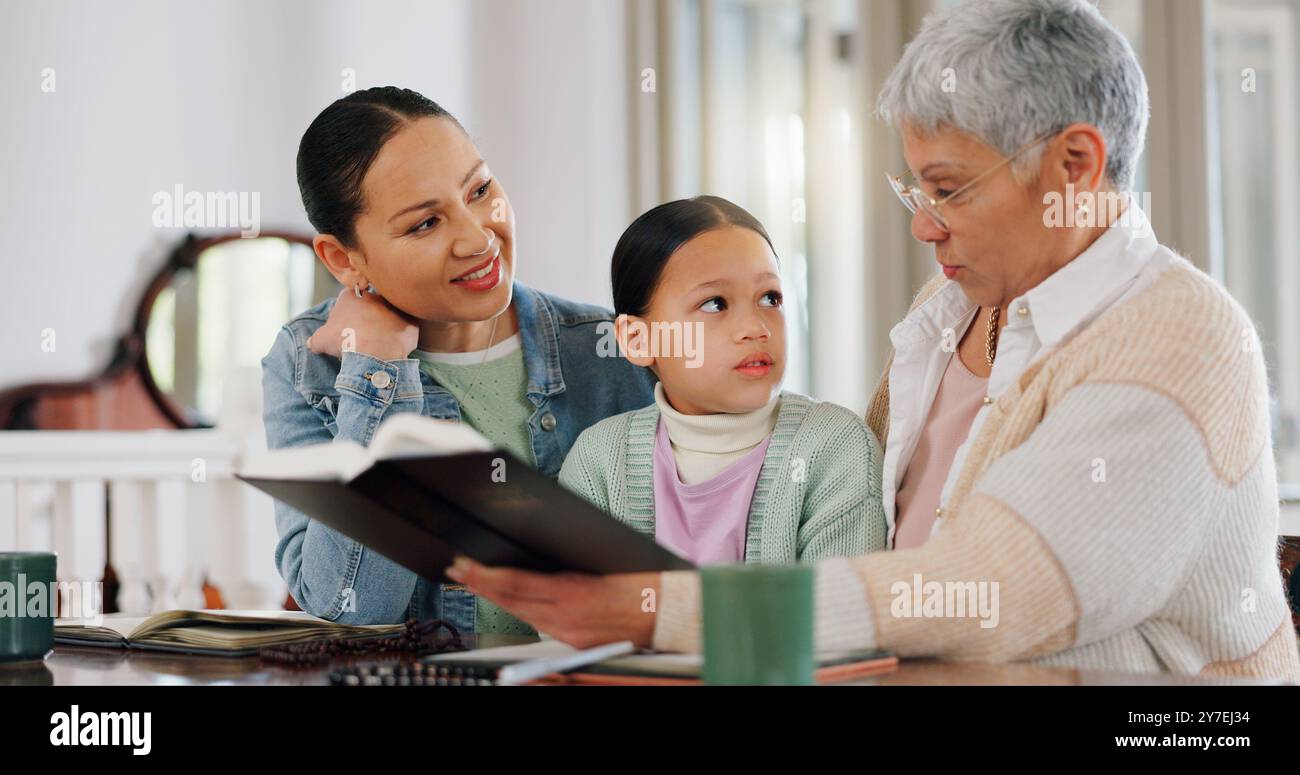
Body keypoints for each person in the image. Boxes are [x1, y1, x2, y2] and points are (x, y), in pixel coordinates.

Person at [447, 0, 1300, 681]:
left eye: (951, 188)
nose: (926, 226)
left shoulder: (1179, 336)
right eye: (914, 189)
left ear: (1074, 165)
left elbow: (992, 591)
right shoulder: (952, 308)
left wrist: (659, 609)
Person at [262, 87, 655, 634]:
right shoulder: (308, 367)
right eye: (425, 223)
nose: (478, 238)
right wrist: (380, 373)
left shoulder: (611, 351)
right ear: (344, 259)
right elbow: (352, 607)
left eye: (480, 190)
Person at [558, 195, 887, 564]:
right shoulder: (599, 461)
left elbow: (835, 617)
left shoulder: (836, 447)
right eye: (715, 303)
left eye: (770, 298)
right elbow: (573, 617)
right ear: (638, 339)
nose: (756, 328)